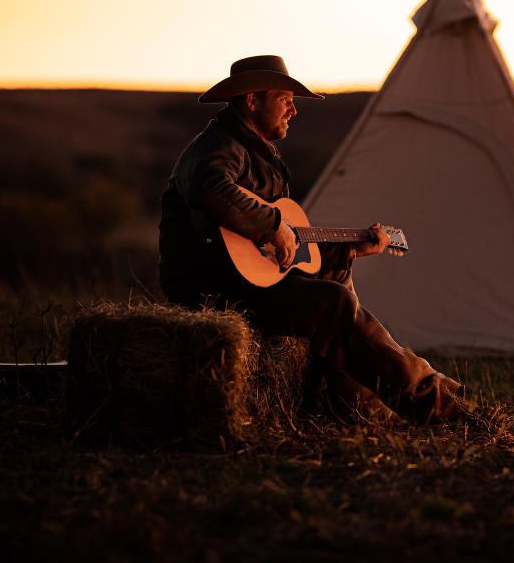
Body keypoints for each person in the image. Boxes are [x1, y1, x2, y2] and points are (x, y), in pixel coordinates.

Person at [158, 55, 469, 423]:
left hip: (243, 278)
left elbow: (277, 250)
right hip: (212, 286)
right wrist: (273, 225)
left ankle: (356, 405)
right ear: (251, 101)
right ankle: (431, 401)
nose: (293, 109)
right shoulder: (216, 146)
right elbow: (212, 190)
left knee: (336, 273)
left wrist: (346, 249)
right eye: (284, 98)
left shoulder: (257, 152)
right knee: (333, 303)